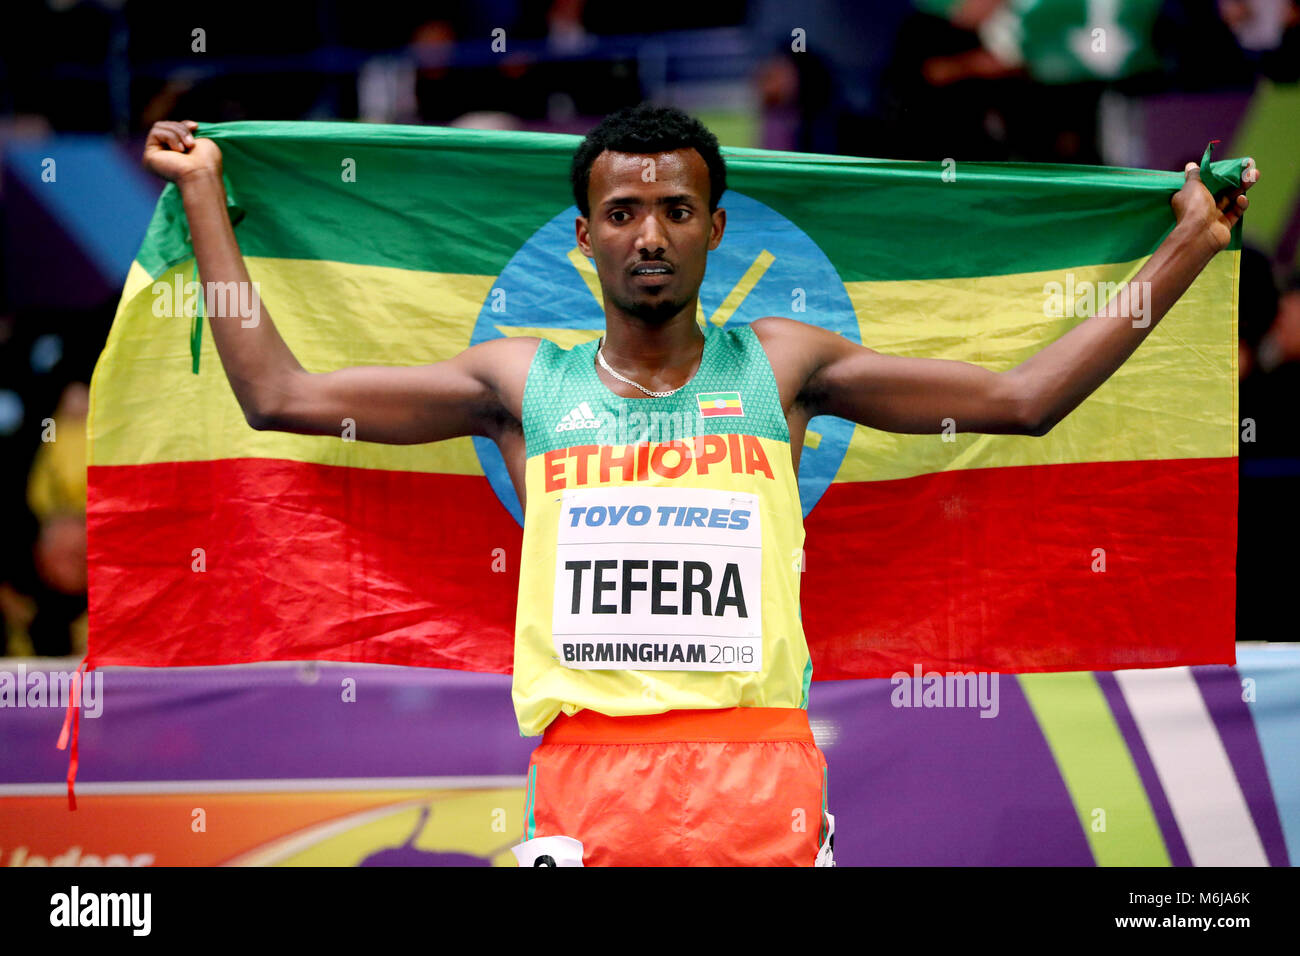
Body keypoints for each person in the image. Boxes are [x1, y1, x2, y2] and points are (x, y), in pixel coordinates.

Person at [141, 103, 1258, 866]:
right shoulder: (521, 379)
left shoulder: (781, 363)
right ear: (583, 238)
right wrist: (204, 195)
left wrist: (1187, 247)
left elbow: (1022, 400)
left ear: (715, 228)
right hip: (589, 781)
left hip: (761, 769)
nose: (650, 233)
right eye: (622, 212)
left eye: (676, 208)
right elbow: (277, 393)